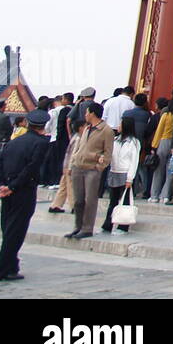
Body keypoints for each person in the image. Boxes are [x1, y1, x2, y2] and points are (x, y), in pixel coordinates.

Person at [0, 109, 50, 281]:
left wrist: (2, 184)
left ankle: (12, 266)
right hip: (23, 190)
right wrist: (12, 186)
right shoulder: (40, 143)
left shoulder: (14, 141)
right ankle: (2, 270)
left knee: (8, 229)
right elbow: (31, 168)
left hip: (8, 189)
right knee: (15, 231)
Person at [65, 102, 113, 240]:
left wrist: (100, 167)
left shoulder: (106, 130)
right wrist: (73, 163)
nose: (85, 115)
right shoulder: (86, 129)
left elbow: (108, 153)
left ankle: (87, 228)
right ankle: (77, 226)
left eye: (87, 112)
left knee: (90, 200)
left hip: (92, 169)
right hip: (78, 166)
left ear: (92, 113)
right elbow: (80, 147)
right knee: (78, 200)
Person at [100, 117, 141, 234]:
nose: (118, 126)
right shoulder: (115, 140)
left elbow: (134, 161)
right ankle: (108, 224)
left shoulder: (133, 142)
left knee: (125, 202)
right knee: (112, 201)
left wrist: (130, 178)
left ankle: (123, 226)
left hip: (125, 173)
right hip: (114, 172)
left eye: (120, 124)